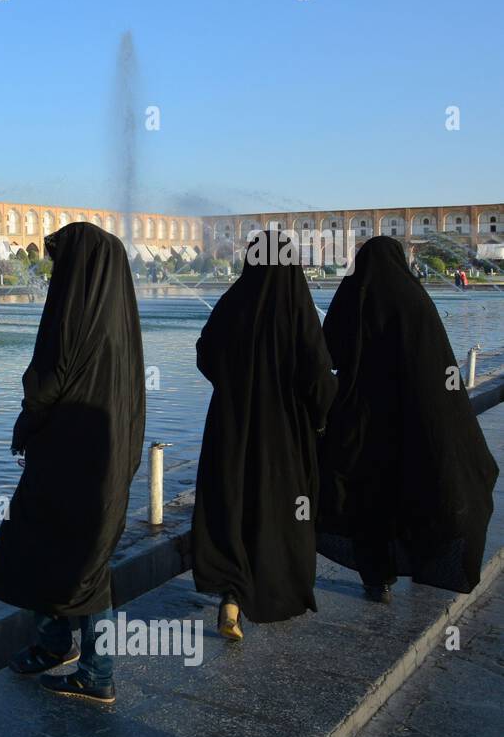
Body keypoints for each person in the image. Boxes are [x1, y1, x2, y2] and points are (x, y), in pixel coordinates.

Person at [0, 222, 145, 705]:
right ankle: (55, 646)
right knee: (78, 552)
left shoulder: (74, 313)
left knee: (68, 557)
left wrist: (28, 420)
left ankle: (94, 671)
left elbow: (47, 381)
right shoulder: (118, 320)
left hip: (68, 456)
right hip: (110, 455)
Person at [318, 236, 498, 602]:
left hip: (359, 420)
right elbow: (436, 362)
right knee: (403, 492)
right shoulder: (415, 301)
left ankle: (376, 576)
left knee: (364, 497)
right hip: (407, 420)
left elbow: (328, 351)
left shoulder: (354, 297)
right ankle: (416, 561)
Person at [191, 231, 337, 641]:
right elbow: (318, 374)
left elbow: (206, 352)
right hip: (284, 433)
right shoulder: (296, 306)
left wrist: (233, 386)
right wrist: (319, 418)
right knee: (275, 507)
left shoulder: (235, 301)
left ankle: (232, 597)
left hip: (231, 426)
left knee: (233, 503)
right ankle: (273, 588)